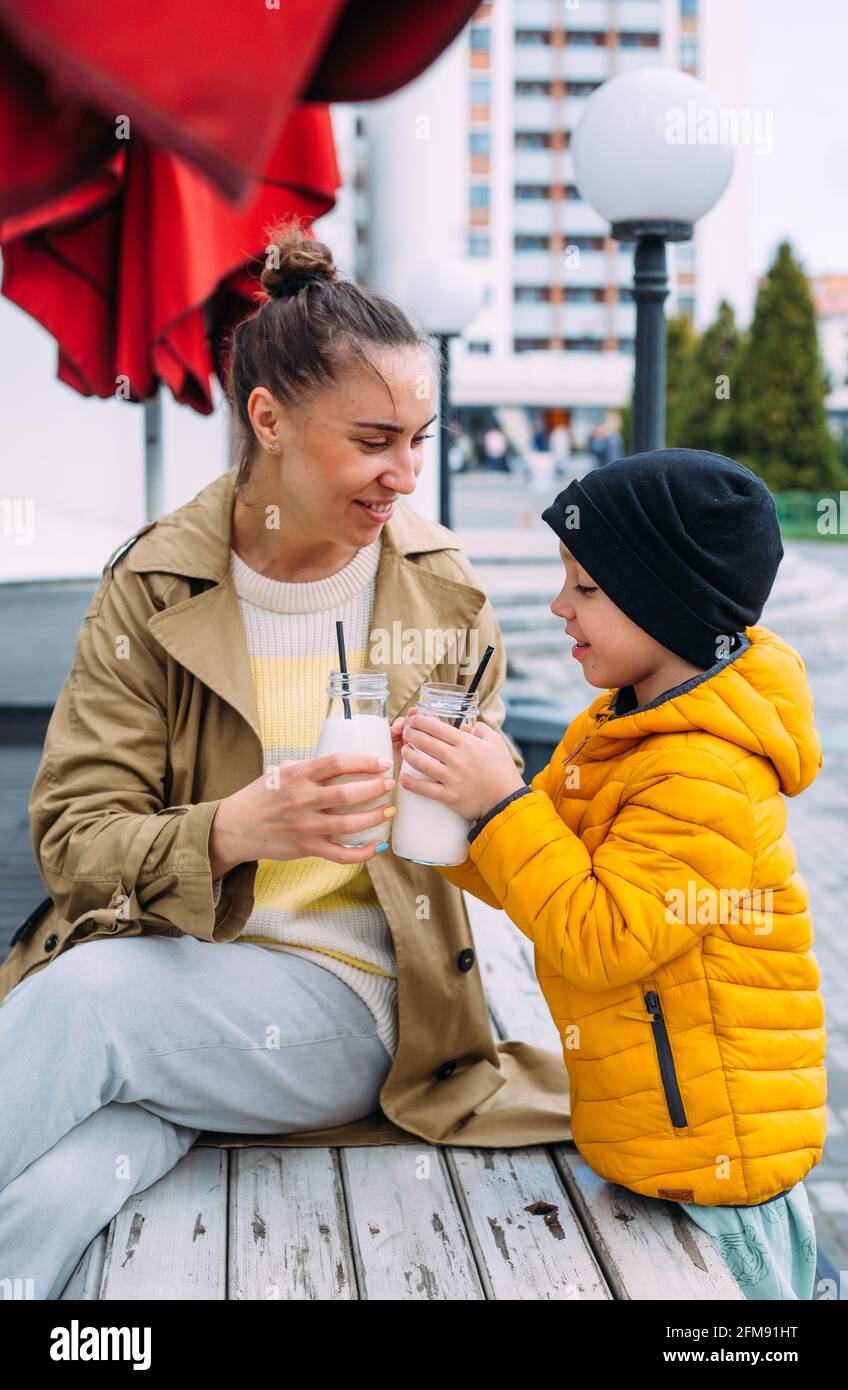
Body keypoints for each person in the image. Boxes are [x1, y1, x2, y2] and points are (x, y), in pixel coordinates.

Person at [0, 216, 571, 1300]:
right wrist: (234, 829)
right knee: (84, 1166)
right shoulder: (153, 584)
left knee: (88, 1004)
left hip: (357, 1002)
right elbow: (74, 840)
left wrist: (478, 795)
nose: (405, 473)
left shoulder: (443, 593)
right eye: (371, 440)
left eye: (419, 437)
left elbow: (481, 848)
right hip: (179, 987)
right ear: (267, 418)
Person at [396, 448, 827, 1300]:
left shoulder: (705, 772)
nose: (561, 606)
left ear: (666, 603)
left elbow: (599, 937)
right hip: (655, 1146)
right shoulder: (620, 726)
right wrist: (446, 803)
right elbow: (545, 873)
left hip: (721, 1167)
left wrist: (498, 807)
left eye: (587, 588)